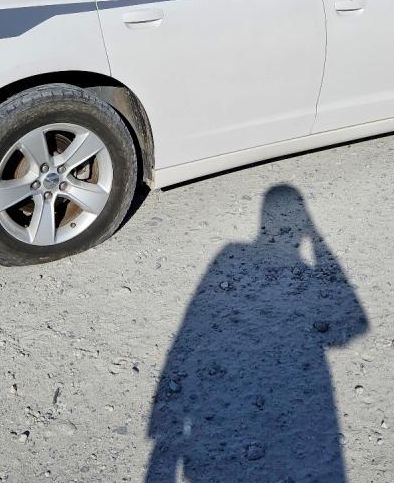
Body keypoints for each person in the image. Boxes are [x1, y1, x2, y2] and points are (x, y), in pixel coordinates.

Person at [146, 184, 368, 483]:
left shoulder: (229, 255)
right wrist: (317, 239)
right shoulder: (257, 259)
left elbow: (188, 329)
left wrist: (164, 428)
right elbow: (352, 325)